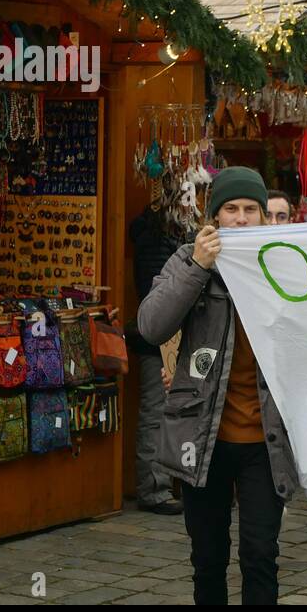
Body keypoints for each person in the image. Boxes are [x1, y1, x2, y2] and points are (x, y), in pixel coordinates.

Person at [136, 166, 297, 604]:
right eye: (231, 209)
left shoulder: (288, 265)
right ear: (214, 216)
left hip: (266, 441)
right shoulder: (188, 259)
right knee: (207, 557)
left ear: (265, 217)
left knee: (260, 554)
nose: (241, 218)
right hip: (202, 437)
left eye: (251, 209)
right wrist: (197, 268)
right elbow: (150, 326)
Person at [128, 205, 190, 516]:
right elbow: (158, 294)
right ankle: (155, 487)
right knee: (157, 410)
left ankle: (168, 483)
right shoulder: (156, 240)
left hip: (174, 336)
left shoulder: (170, 236)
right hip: (160, 339)